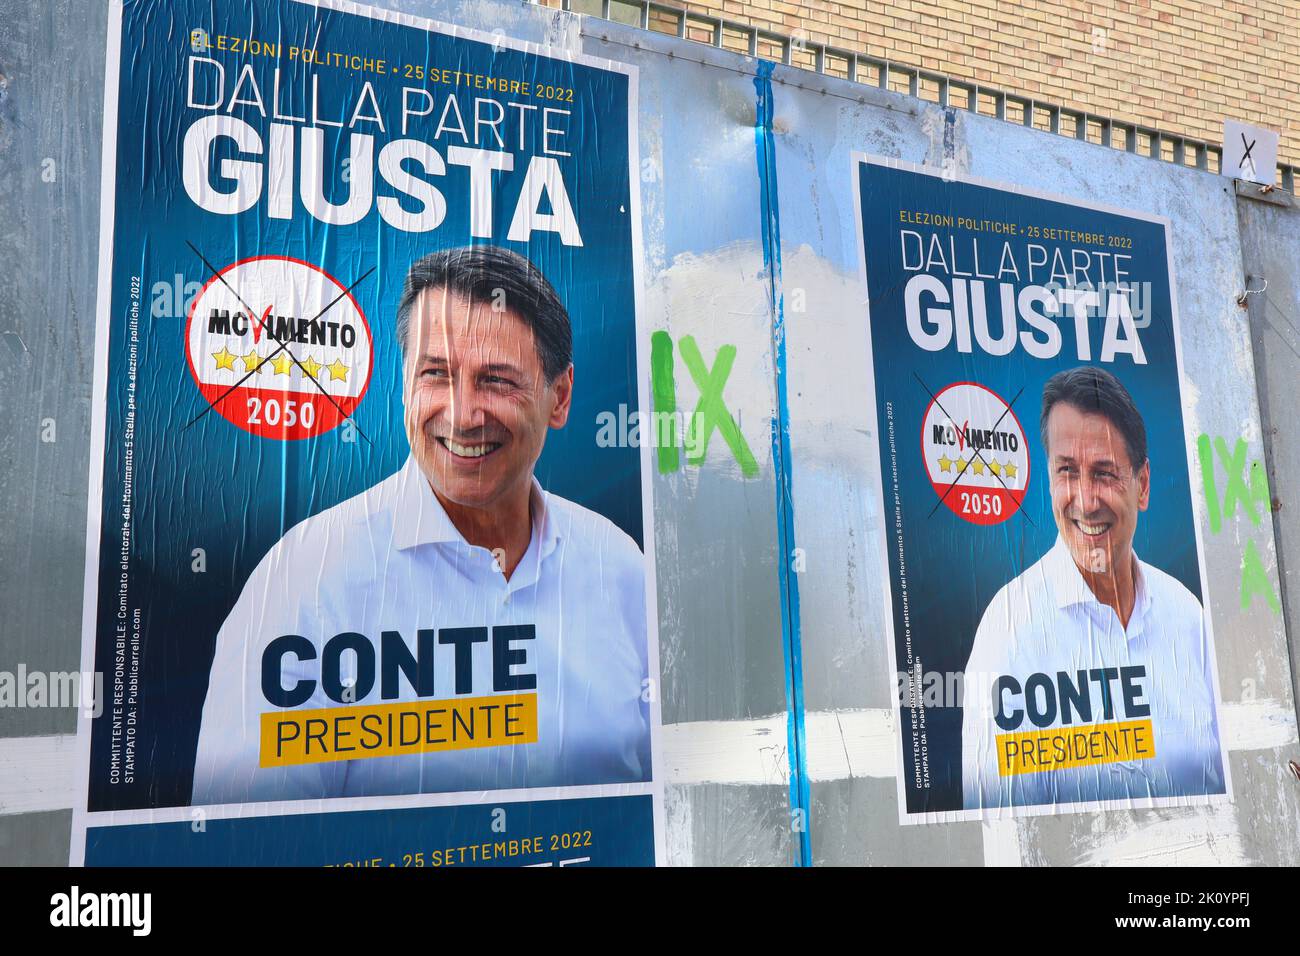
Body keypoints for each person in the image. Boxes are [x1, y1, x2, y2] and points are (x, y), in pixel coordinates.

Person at [191, 245, 650, 805]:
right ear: (404, 385)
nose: (462, 415)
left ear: (561, 396)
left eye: (498, 381)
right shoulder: (302, 585)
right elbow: (245, 849)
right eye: (436, 374)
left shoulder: (619, 570)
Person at [961, 366, 1224, 812]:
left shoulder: (1187, 615)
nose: (1084, 501)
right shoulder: (1009, 631)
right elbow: (998, 836)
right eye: (1067, 471)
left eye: (1104, 473)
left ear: (1142, 485)